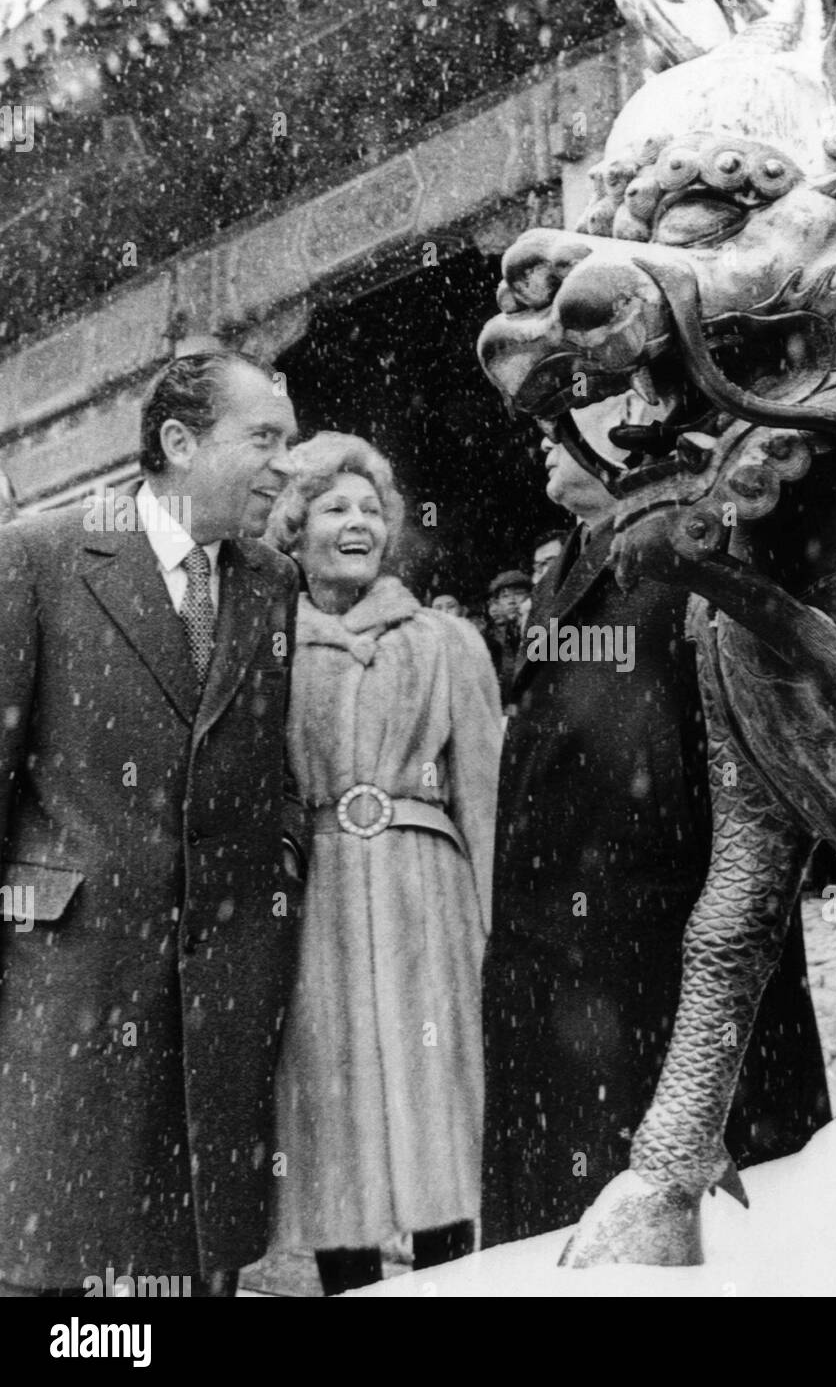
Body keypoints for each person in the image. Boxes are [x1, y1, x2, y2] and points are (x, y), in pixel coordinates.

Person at [480, 392, 831, 1248]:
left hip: (661, 950)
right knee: (555, 1220)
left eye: (565, 417)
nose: (542, 438)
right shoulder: (570, 559)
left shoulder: (700, 552)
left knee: (707, 1232)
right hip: (553, 952)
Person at [0, 350, 307, 1296]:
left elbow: (269, 768)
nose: (284, 465)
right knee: (46, 1251)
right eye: (264, 438)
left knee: (197, 1253)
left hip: (223, 969)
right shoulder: (40, 555)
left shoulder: (270, 580)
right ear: (178, 441)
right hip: (72, 966)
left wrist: (275, 884)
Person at [265, 432, 501, 1295]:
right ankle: (349, 1280)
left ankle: (454, 1278)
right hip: (316, 899)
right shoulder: (266, 651)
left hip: (424, 897)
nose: (356, 522)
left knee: (439, 1106)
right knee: (332, 1114)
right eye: (334, 507)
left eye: (371, 508)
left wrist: (490, 927)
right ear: (294, 528)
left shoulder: (447, 642)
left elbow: (485, 797)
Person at [483, 568, 531, 709]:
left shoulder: (539, 625)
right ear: (497, 602)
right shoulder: (501, 635)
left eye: (518, 593)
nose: (511, 601)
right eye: (505, 596)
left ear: (530, 596)